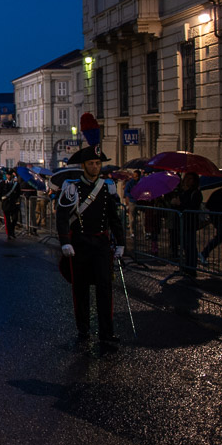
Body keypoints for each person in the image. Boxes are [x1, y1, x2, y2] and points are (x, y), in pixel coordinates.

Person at [57, 143, 125, 345]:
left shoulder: (107, 187)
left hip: (102, 243)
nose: (95, 167)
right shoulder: (72, 187)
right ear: (84, 165)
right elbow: (62, 217)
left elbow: (114, 218)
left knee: (105, 288)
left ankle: (106, 332)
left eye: (98, 163)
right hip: (80, 243)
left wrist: (120, 243)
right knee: (81, 289)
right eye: (91, 163)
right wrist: (65, 242)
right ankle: (84, 330)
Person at [167, 172, 203, 276]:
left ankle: (191, 269)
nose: (187, 180)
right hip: (181, 223)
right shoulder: (183, 192)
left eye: (190, 179)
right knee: (185, 247)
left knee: (190, 246)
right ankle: (186, 267)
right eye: (186, 178)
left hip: (190, 223)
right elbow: (178, 207)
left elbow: (191, 207)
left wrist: (180, 204)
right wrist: (174, 203)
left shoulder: (195, 193)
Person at [0, 170, 21, 240]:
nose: (9, 176)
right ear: (6, 176)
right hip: (6, 204)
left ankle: (12, 231)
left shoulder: (16, 184)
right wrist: (2, 200)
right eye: (8, 175)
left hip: (13, 203)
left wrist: (15, 199)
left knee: (14, 219)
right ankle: (9, 234)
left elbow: (18, 193)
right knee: (7, 220)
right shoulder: (2, 183)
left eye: (10, 175)